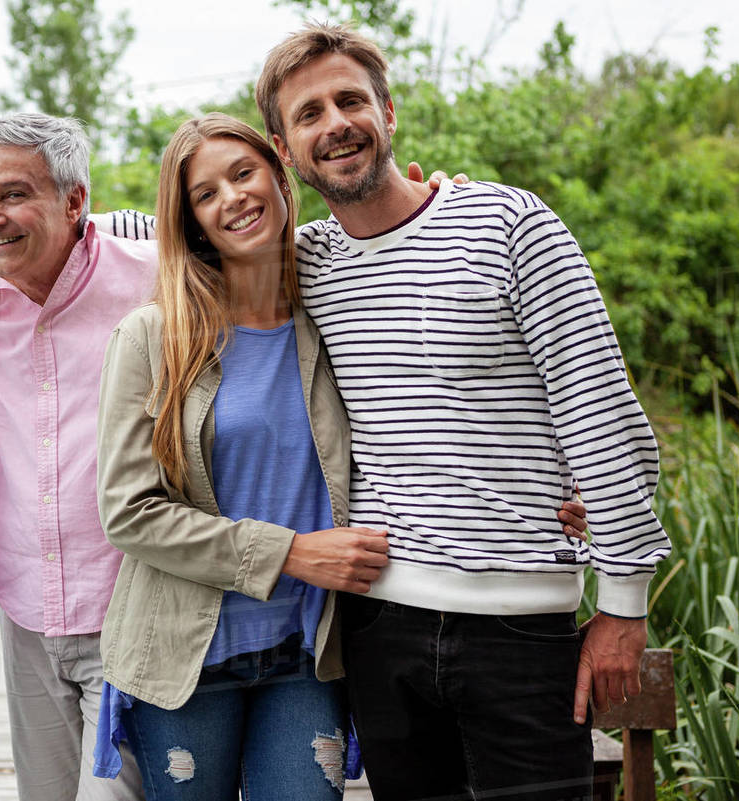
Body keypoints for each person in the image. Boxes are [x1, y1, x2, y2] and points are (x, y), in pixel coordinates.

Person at [0, 116, 588, 799]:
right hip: (20, 617)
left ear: (75, 201)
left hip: (146, 611)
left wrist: (431, 202)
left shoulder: (161, 273)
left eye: (15, 195)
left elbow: (229, 210)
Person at [248, 22, 672, 800]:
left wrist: (623, 604)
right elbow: (174, 235)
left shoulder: (508, 224)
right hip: (378, 624)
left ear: (389, 112)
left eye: (350, 100)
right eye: (308, 114)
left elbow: (601, 411)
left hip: (522, 624)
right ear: (285, 149)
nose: (334, 123)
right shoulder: (303, 262)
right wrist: (15, 243)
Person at [91, 113, 386, 799]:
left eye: (244, 173)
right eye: (205, 192)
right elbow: (129, 513)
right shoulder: (153, 336)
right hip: (185, 657)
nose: (232, 198)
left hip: (307, 653)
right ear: (191, 220)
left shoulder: (336, 309)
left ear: (281, 178)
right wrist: (288, 552)